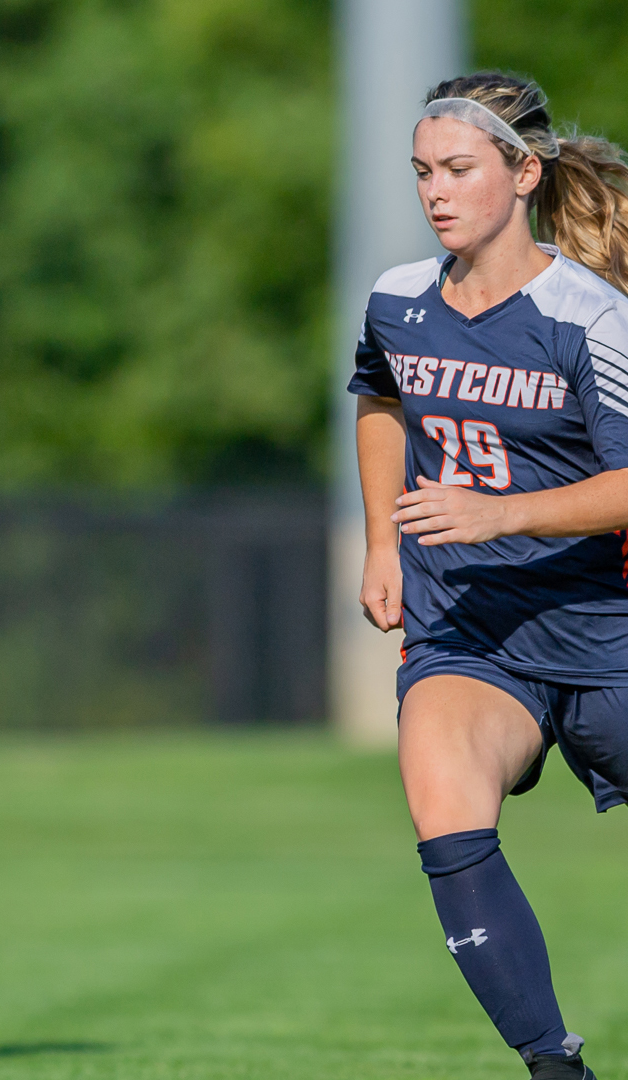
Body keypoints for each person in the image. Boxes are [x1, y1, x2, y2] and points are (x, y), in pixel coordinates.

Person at [350, 72, 628, 1080]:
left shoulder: (587, 315)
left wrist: (499, 513)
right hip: (469, 628)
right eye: (423, 170)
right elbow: (380, 401)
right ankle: (556, 1067)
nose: (435, 189)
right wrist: (385, 540)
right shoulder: (396, 298)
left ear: (523, 172)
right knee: (443, 803)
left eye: (458, 168)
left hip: (606, 630)